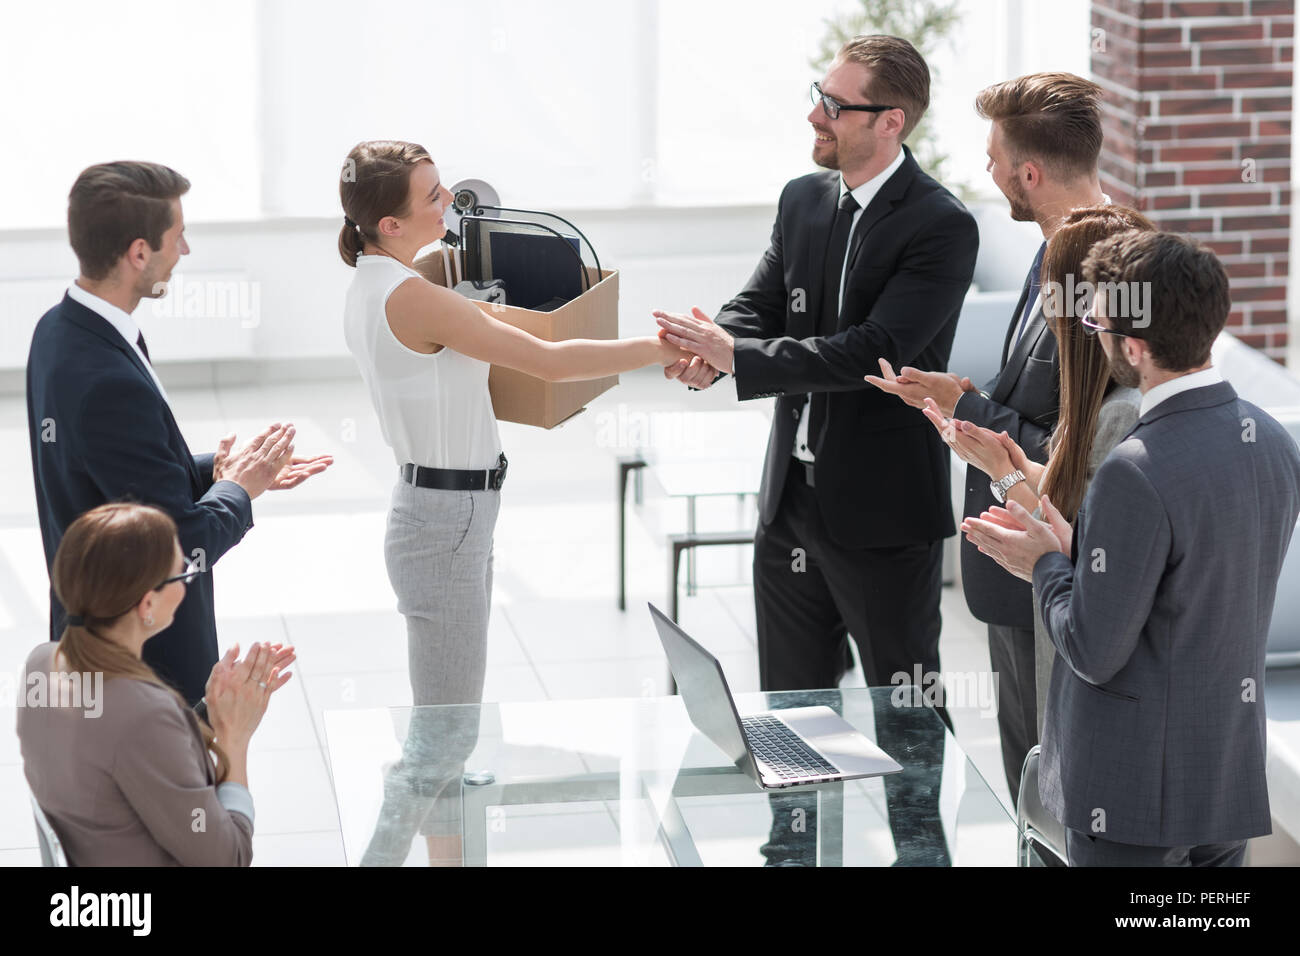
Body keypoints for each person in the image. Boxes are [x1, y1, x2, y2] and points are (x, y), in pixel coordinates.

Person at [655, 35, 977, 865]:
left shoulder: (942, 227)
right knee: (791, 708)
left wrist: (740, 358)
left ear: (890, 121)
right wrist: (715, 344)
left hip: (881, 517)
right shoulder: (803, 198)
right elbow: (758, 305)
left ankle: (920, 851)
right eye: (820, 95)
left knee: (904, 704)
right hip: (791, 505)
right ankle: (795, 850)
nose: (816, 114)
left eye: (835, 104)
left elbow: (873, 353)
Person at [339, 140, 694, 865]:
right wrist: (660, 349)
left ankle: (450, 860)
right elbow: (552, 360)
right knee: (443, 739)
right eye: (433, 196)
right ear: (390, 224)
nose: (451, 204)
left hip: (443, 513)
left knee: (446, 730)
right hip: (445, 522)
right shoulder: (414, 297)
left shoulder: (374, 284)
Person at [962, 232, 1300, 866]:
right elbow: (1187, 591)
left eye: (1098, 322)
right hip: (1224, 777)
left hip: (1131, 796)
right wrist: (1072, 546)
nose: (1092, 333)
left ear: (1135, 347)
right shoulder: (1275, 444)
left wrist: (1043, 565)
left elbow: (1093, 648)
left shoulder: (1133, 469)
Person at [863, 73, 1107, 809]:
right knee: (1027, 785)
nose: (988, 170)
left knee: (1050, 800)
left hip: (1056, 560)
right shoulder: (1047, 256)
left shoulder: (1101, 274)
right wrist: (963, 396)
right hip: (1015, 559)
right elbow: (1037, 398)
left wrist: (978, 418)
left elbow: (1085, 442)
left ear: (1029, 173)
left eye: (995, 156)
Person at [26, 161, 332, 707]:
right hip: (145, 663)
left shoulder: (59, 329)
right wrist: (240, 490)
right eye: (179, 236)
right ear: (139, 253)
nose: (185, 251)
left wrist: (220, 469)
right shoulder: (107, 381)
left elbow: (112, 476)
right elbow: (184, 543)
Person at [913, 204, 1155, 739]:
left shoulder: (1122, 411)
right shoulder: (1099, 400)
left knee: (1038, 786)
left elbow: (1079, 544)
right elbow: (1076, 495)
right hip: (1066, 644)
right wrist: (1009, 460)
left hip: (1081, 660)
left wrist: (1002, 472)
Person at [17, 503, 294, 866]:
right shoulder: (143, 716)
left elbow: (116, 748)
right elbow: (229, 858)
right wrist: (234, 738)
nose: (187, 583)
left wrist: (208, 708)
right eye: (183, 574)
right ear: (148, 603)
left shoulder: (41, 663)